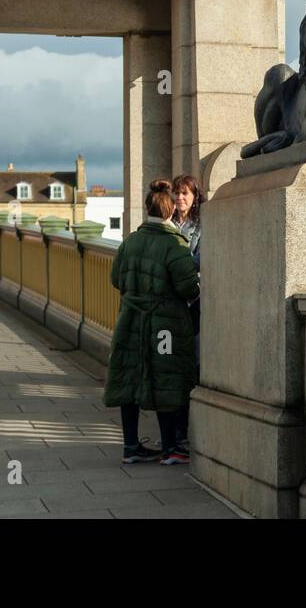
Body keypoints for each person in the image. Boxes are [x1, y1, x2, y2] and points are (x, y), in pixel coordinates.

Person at [104, 179, 200, 465]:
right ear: (170, 211)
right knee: (166, 379)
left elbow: (115, 279)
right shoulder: (174, 243)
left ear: (148, 209)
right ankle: (171, 448)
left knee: (130, 379)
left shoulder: (130, 241)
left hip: (131, 320)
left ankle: (131, 447)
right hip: (165, 328)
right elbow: (188, 289)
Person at [171, 174, 204, 454]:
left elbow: (203, 260)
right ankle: (175, 433)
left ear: (195, 198)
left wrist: (176, 261)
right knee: (173, 368)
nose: (180, 198)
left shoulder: (201, 226)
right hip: (171, 306)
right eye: (176, 193)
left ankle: (191, 432)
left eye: (185, 194)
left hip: (195, 304)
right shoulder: (166, 224)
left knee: (194, 366)